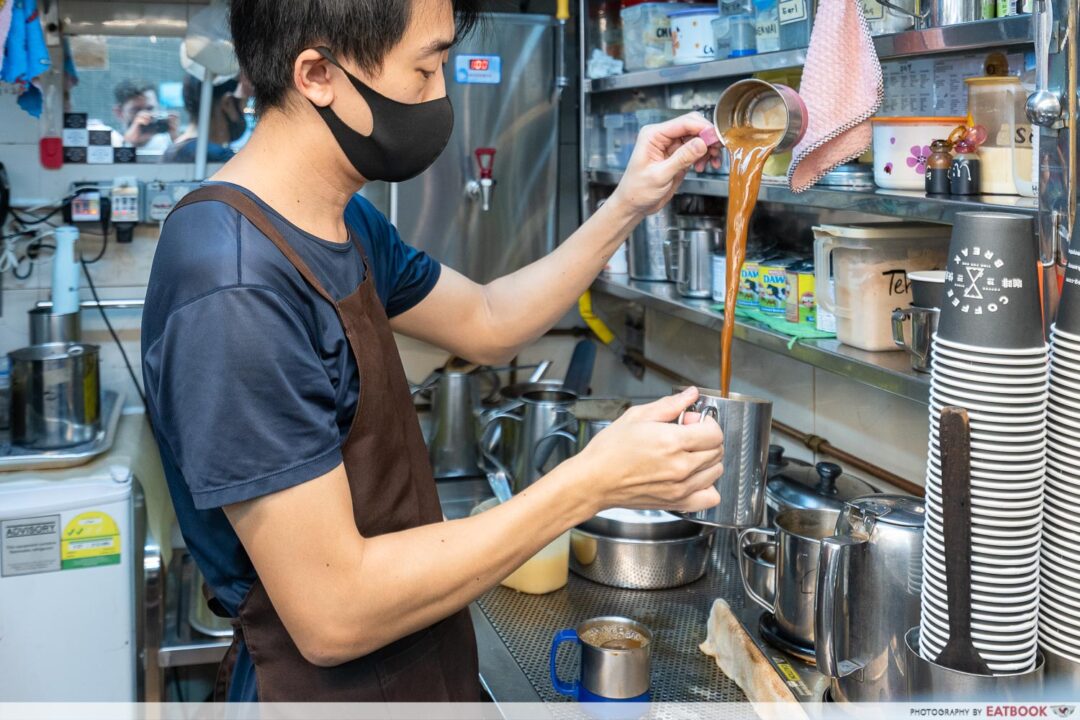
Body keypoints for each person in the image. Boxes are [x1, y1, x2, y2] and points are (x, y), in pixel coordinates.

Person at [142, 0, 723, 703]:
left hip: (417, 664)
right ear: (317, 73)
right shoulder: (232, 284)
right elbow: (334, 611)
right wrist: (591, 482)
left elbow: (487, 317)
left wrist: (627, 204)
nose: (440, 97)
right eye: (426, 69)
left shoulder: (340, 218)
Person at [160, 74, 249, 163]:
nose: (246, 111)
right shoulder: (223, 159)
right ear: (227, 103)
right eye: (245, 103)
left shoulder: (170, 153)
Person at [112, 80, 177, 154]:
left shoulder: (169, 142)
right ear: (119, 113)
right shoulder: (112, 142)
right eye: (136, 110)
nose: (145, 116)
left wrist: (177, 140)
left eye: (150, 109)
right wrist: (128, 144)